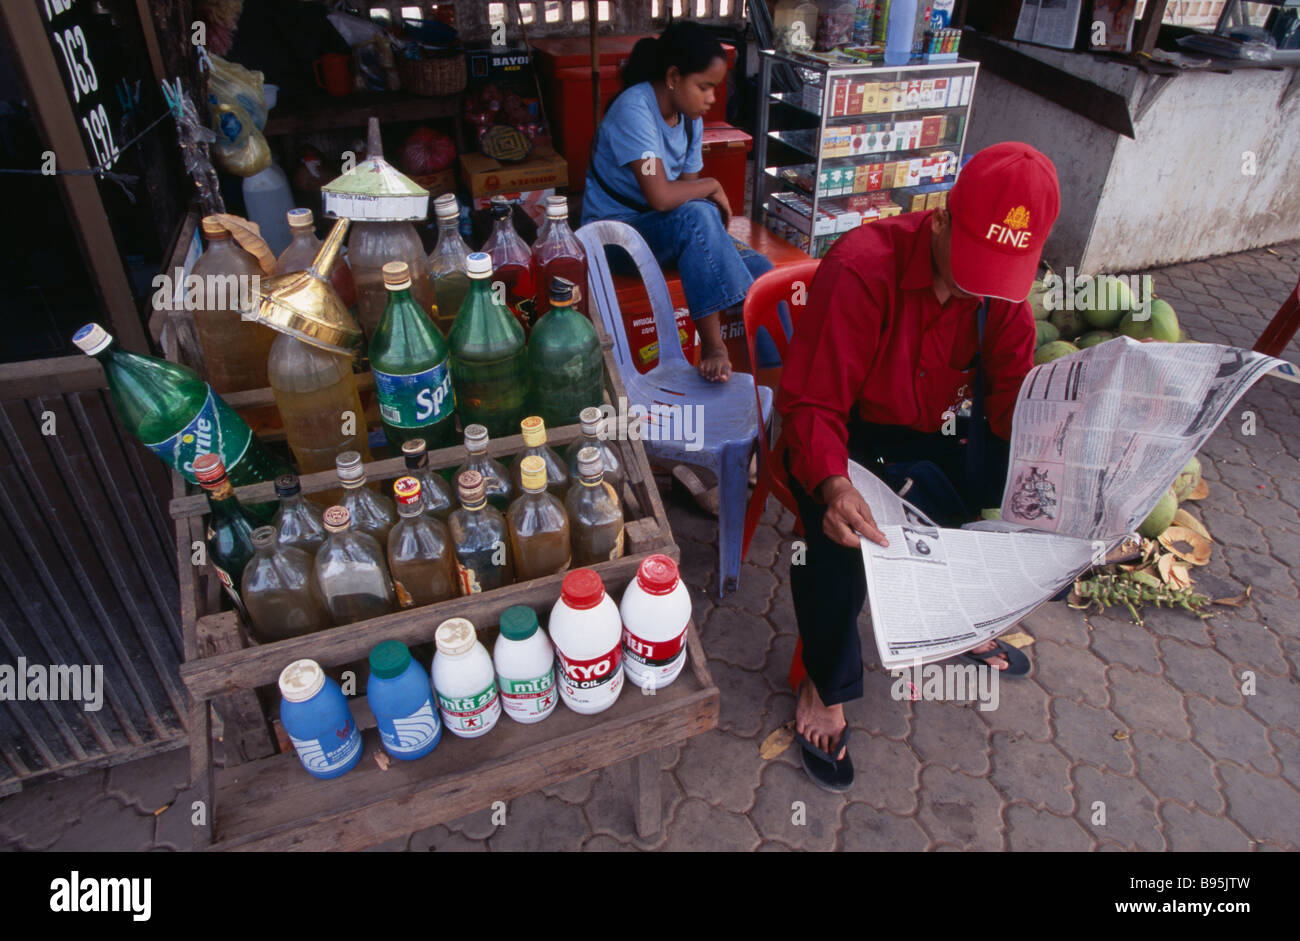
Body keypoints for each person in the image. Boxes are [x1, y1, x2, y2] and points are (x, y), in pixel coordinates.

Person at [774, 142, 1062, 791]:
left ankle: (955, 620)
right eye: (970, 267)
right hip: (841, 431)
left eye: (998, 275)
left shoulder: (1003, 298)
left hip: (935, 430)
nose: (977, 288)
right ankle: (825, 679)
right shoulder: (862, 269)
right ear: (938, 220)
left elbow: (1012, 399)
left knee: (1006, 492)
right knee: (836, 537)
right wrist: (835, 481)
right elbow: (813, 403)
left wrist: (1069, 456)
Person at [580, 21, 773, 383]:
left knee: (760, 266)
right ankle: (715, 346)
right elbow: (665, 197)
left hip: (658, 228)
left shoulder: (688, 118)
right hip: (614, 238)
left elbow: (685, 194)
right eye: (705, 87)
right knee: (699, 214)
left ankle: (773, 375)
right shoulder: (633, 110)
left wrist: (708, 202)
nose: (712, 98)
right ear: (673, 77)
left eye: (715, 88)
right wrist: (713, 185)